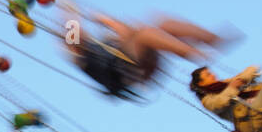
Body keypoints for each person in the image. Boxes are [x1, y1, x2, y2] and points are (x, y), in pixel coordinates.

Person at [67, 13, 230, 99]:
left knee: (162, 23)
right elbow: (71, 42)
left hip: (137, 62)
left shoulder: (101, 43)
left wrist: (107, 21)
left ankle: (213, 39)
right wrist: (70, 14)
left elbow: (125, 32)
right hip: (126, 72)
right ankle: (192, 52)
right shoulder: (83, 55)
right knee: (144, 33)